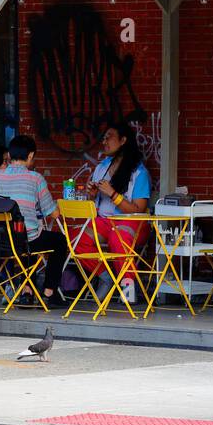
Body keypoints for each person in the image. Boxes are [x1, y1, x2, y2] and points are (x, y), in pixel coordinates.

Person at [79, 120, 152, 305]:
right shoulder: (101, 168)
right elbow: (94, 206)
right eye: (103, 138)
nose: (104, 142)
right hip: (105, 221)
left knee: (118, 237)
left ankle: (128, 288)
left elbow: (139, 210)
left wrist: (112, 194)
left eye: (109, 137)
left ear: (123, 140)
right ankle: (106, 278)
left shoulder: (138, 172)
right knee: (76, 240)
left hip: (132, 223)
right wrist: (92, 195)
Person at [0, 134, 67, 308]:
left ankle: (27, 292)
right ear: (31, 155)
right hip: (24, 240)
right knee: (57, 241)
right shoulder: (35, 178)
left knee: (25, 236)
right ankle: (50, 292)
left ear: (9, 155)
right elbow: (54, 213)